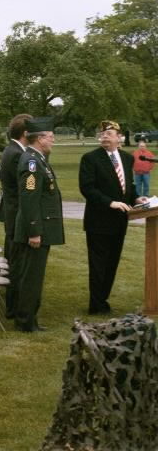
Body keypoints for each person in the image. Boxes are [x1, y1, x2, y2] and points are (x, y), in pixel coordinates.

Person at [79, 120, 148, 314]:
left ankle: (103, 300)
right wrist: (110, 203)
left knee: (112, 263)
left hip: (120, 221)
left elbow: (127, 186)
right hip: (99, 221)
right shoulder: (90, 158)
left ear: (120, 137)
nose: (104, 137)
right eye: (102, 134)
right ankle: (96, 304)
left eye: (109, 134)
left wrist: (136, 198)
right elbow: (87, 188)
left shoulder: (126, 158)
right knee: (99, 264)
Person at [14, 117, 64, 333]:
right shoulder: (32, 163)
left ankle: (30, 319)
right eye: (51, 137)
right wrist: (34, 231)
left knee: (35, 275)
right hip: (35, 229)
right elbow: (29, 198)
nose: (53, 140)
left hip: (40, 227)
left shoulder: (38, 159)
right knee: (31, 277)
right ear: (40, 138)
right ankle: (25, 321)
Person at [0, 113, 32, 320]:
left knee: (14, 260)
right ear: (26, 133)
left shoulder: (13, 149)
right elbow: (25, 188)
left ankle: (13, 306)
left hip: (12, 213)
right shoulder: (18, 154)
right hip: (17, 215)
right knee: (17, 263)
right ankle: (14, 308)